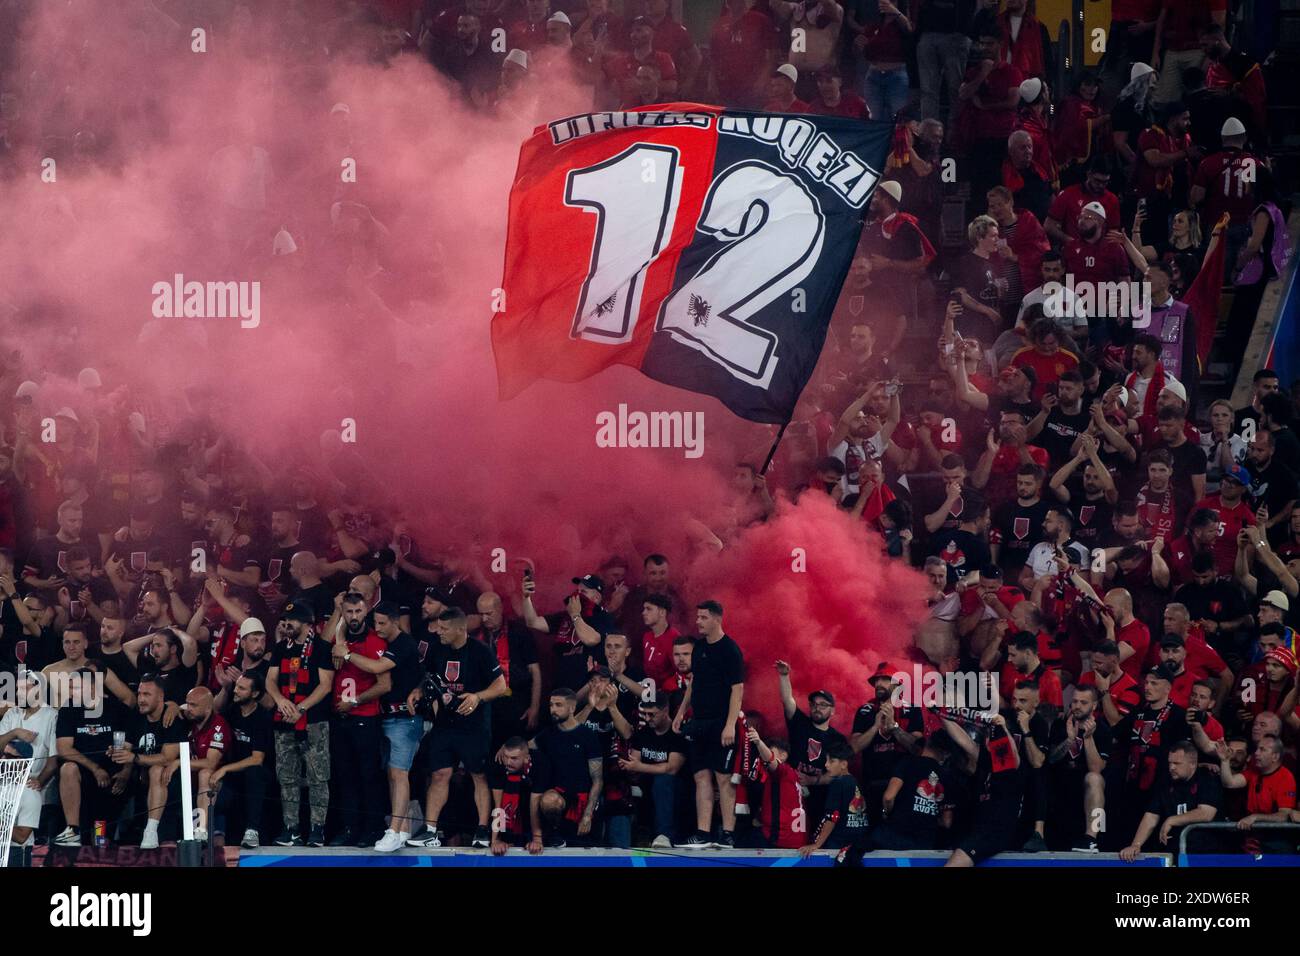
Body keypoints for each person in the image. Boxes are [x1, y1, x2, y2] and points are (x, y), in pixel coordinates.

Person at [406, 606, 506, 848]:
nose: (439, 632)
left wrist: (477, 697)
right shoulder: (437, 649)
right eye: (438, 627)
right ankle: (430, 830)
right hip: (444, 724)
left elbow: (501, 686)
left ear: (461, 629)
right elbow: (428, 676)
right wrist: (418, 690)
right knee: (439, 774)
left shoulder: (480, 651)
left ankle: (482, 831)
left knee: (478, 775)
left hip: (473, 725)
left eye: (444, 628)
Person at [331, 600, 424, 851]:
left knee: (398, 774)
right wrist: (340, 640)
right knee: (391, 777)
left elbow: (378, 669)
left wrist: (347, 654)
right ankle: (401, 830)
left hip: (405, 718)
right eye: (376, 622)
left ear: (395, 622)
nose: (377, 627)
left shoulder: (403, 643)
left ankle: (393, 831)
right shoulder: (388, 641)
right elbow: (343, 631)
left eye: (382, 623)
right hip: (388, 717)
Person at [672, 600, 744, 849]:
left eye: (703, 617)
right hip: (698, 723)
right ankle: (703, 832)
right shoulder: (700, 647)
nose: (698, 621)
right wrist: (681, 712)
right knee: (701, 776)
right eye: (698, 617)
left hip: (720, 724)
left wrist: (730, 725)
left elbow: (738, 689)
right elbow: (694, 682)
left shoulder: (730, 650)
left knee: (723, 778)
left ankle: (727, 833)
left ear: (716, 619)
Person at [265, 600, 335, 848]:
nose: (286, 625)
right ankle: (291, 829)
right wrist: (281, 700)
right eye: (284, 621)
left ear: (307, 624)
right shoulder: (281, 648)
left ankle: (317, 830)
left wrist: (301, 707)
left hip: (314, 723)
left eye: (291, 621)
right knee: (287, 778)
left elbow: (326, 685)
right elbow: (270, 680)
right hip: (284, 721)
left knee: (318, 777)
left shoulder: (321, 648)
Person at [113, 674, 187, 849]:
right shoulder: (136, 716)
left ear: (161, 697)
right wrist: (120, 755)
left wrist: (134, 758)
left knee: (156, 769)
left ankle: (151, 830)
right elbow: (128, 747)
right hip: (141, 777)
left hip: (171, 781)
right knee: (112, 777)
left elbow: (167, 758)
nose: (141, 699)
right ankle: (102, 837)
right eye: (139, 694)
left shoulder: (172, 719)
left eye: (147, 695)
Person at [1118, 741, 1220, 861]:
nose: (1172, 767)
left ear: (1193, 764)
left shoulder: (1207, 778)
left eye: (1177, 763)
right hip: (1173, 851)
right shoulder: (1165, 782)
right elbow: (1151, 815)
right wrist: (1136, 844)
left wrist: (1172, 820)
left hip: (1206, 853)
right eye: (1170, 763)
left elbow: (1206, 813)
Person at [775, 660, 847, 822]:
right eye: (814, 704)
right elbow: (788, 700)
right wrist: (784, 676)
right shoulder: (800, 723)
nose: (817, 707)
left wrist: (812, 780)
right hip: (792, 793)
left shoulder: (837, 739)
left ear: (832, 711)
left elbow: (839, 774)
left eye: (823, 705)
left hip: (822, 798)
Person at [530, 688, 603, 847]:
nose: (553, 710)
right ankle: (554, 831)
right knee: (549, 799)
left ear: (571, 708)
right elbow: (525, 748)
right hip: (557, 797)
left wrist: (587, 815)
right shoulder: (547, 734)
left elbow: (597, 780)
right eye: (551, 705)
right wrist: (506, 747)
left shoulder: (588, 735)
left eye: (558, 705)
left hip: (581, 798)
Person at [212, 672, 272, 849]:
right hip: (234, 773)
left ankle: (252, 830)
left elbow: (257, 759)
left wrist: (225, 769)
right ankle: (214, 834)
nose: (236, 691)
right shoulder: (232, 711)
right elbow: (212, 710)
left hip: (258, 773)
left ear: (254, 694)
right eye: (236, 686)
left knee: (254, 773)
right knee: (216, 791)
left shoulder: (262, 717)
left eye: (241, 688)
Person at [0, 669, 58, 853]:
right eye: (17, 689)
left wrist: (39, 781)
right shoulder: (12, 714)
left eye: (24, 689)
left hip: (36, 780)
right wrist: (15, 732)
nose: (19, 694)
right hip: (7, 777)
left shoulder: (51, 716)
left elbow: (53, 761)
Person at [618, 693, 687, 846]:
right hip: (646, 783)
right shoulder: (643, 734)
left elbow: (672, 769)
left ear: (665, 711)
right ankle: (641, 832)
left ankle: (664, 834)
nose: (647, 719)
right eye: (645, 714)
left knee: (663, 780)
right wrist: (628, 766)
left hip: (675, 787)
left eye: (652, 715)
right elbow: (634, 761)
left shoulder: (677, 734)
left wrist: (640, 766)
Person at [797, 742, 869, 859]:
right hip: (857, 845)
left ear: (844, 764)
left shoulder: (837, 783)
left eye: (831, 761)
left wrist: (817, 844)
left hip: (838, 845)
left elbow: (832, 817)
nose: (826, 765)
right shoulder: (855, 782)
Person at [487, 736, 542, 855]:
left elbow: (535, 804)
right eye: (506, 757)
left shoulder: (540, 763)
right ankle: (507, 838)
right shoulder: (498, 762)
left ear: (526, 758)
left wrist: (537, 839)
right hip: (508, 810)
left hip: (530, 807)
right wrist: (495, 840)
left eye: (514, 758)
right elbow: (498, 806)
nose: (508, 762)